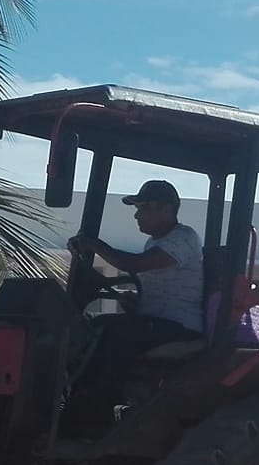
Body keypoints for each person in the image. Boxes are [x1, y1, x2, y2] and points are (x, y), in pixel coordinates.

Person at [63, 178, 205, 422]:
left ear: (167, 210)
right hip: (156, 323)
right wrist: (135, 302)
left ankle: (97, 414)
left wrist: (93, 244)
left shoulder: (183, 238)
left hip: (180, 328)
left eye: (144, 208)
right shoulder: (155, 242)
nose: (137, 215)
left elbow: (133, 264)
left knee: (117, 335)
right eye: (137, 209)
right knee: (93, 325)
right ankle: (74, 397)